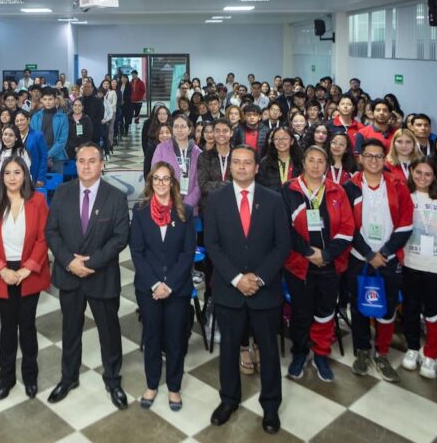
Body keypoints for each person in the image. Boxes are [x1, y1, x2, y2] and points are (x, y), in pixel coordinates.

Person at [204, 144, 290, 435]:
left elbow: (282, 245)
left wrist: (259, 278)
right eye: (237, 162)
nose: (241, 167)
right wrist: (237, 278)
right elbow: (212, 245)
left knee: (267, 349)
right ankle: (228, 399)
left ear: (256, 167)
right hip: (230, 290)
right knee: (228, 348)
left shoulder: (274, 200)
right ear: (231, 168)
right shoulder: (215, 200)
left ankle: (270, 406)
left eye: (247, 163)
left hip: (264, 290)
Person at [45, 143, 130, 409]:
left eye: (92, 161)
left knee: (109, 330)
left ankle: (113, 379)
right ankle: (68, 377)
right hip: (69, 274)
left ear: (101, 164)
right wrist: (70, 261)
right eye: (81, 160)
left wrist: (91, 263)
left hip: (101, 275)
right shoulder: (62, 193)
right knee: (70, 329)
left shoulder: (115, 196)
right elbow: (52, 232)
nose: (85, 166)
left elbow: (120, 238)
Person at [281, 146, 355, 382]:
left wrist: (326, 255)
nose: (315, 165)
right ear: (303, 163)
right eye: (311, 160)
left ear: (326, 165)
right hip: (299, 264)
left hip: (329, 265)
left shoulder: (337, 191)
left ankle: (321, 353)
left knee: (325, 312)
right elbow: (283, 228)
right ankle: (300, 353)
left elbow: (347, 228)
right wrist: (307, 252)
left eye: (320, 161)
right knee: (301, 313)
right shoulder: (289, 189)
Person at [0, 156, 50, 400]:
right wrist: (2, 270)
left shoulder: (38, 201)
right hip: (2, 271)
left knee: (28, 325)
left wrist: (27, 269)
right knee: (8, 327)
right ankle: (6, 378)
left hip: (29, 270)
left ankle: (30, 376)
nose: (12, 177)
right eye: (7, 173)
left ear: (25, 176)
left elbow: (43, 238)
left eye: (17, 172)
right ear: (2, 177)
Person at [343, 138, 413, 383]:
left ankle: (382, 353)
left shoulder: (398, 185)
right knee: (359, 306)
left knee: (387, 308)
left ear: (385, 159)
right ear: (360, 157)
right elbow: (347, 226)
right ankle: (362, 350)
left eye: (378, 156)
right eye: (369, 156)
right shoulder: (350, 187)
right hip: (359, 258)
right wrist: (368, 254)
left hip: (389, 259)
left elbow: (406, 224)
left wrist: (383, 253)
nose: (373, 160)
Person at [130, 162, 196, 411]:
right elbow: (137, 252)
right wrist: (156, 283)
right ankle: (151, 384)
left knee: (175, 338)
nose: (160, 183)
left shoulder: (185, 212)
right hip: (149, 287)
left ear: (172, 182)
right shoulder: (140, 211)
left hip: (177, 288)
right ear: (150, 182)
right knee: (152, 336)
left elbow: (188, 252)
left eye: (165, 179)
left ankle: (174, 387)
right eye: (156, 179)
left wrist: (169, 284)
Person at [401, 157, 437, 379]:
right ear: (412, 173)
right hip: (412, 262)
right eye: (418, 172)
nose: (422, 177)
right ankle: (413, 348)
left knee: (434, 311)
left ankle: (431, 355)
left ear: (435, 177)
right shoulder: (405, 197)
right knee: (410, 308)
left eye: (427, 174)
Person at [151, 115, 201, 214]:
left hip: (190, 207)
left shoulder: (198, 153)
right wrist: (170, 203)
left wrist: (186, 205)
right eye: (176, 126)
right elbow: (155, 176)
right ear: (172, 129)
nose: (179, 130)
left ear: (189, 129)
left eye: (183, 126)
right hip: (166, 205)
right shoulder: (161, 149)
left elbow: (199, 183)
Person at [197, 118, 233, 214]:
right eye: (217, 131)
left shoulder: (238, 155)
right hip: (210, 208)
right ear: (213, 133)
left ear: (231, 133)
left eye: (225, 131)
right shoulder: (204, 156)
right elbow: (203, 185)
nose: (221, 134)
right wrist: (226, 185)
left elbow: (243, 182)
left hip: (234, 207)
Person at [30, 87, 69, 174]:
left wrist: (47, 155)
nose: (47, 102)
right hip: (39, 156)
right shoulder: (35, 117)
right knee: (38, 186)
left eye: (50, 99)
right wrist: (43, 156)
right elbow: (33, 138)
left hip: (57, 157)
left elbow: (62, 141)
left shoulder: (63, 117)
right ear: (41, 100)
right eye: (45, 99)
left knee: (57, 185)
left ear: (55, 100)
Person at [256, 127, 303, 191]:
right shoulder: (265, 162)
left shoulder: (300, 161)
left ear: (292, 141)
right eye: (277, 138)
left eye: (285, 138)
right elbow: (260, 187)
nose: (281, 141)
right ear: (273, 141)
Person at [0, 125, 32, 191]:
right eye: (5, 134)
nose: (7, 137)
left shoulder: (21, 152)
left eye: (11, 135)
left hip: (16, 190)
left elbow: (26, 173)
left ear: (16, 138)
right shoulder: (0, 152)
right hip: (0, 190)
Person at [15, 109, 48, 187]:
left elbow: (44, 157)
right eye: (17, 121)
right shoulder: (13, 136)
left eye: (22, 120)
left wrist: (40, 178)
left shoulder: (37, 135)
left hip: (34, 175)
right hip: (16, 176)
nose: (19, 123)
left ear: (28, 120)